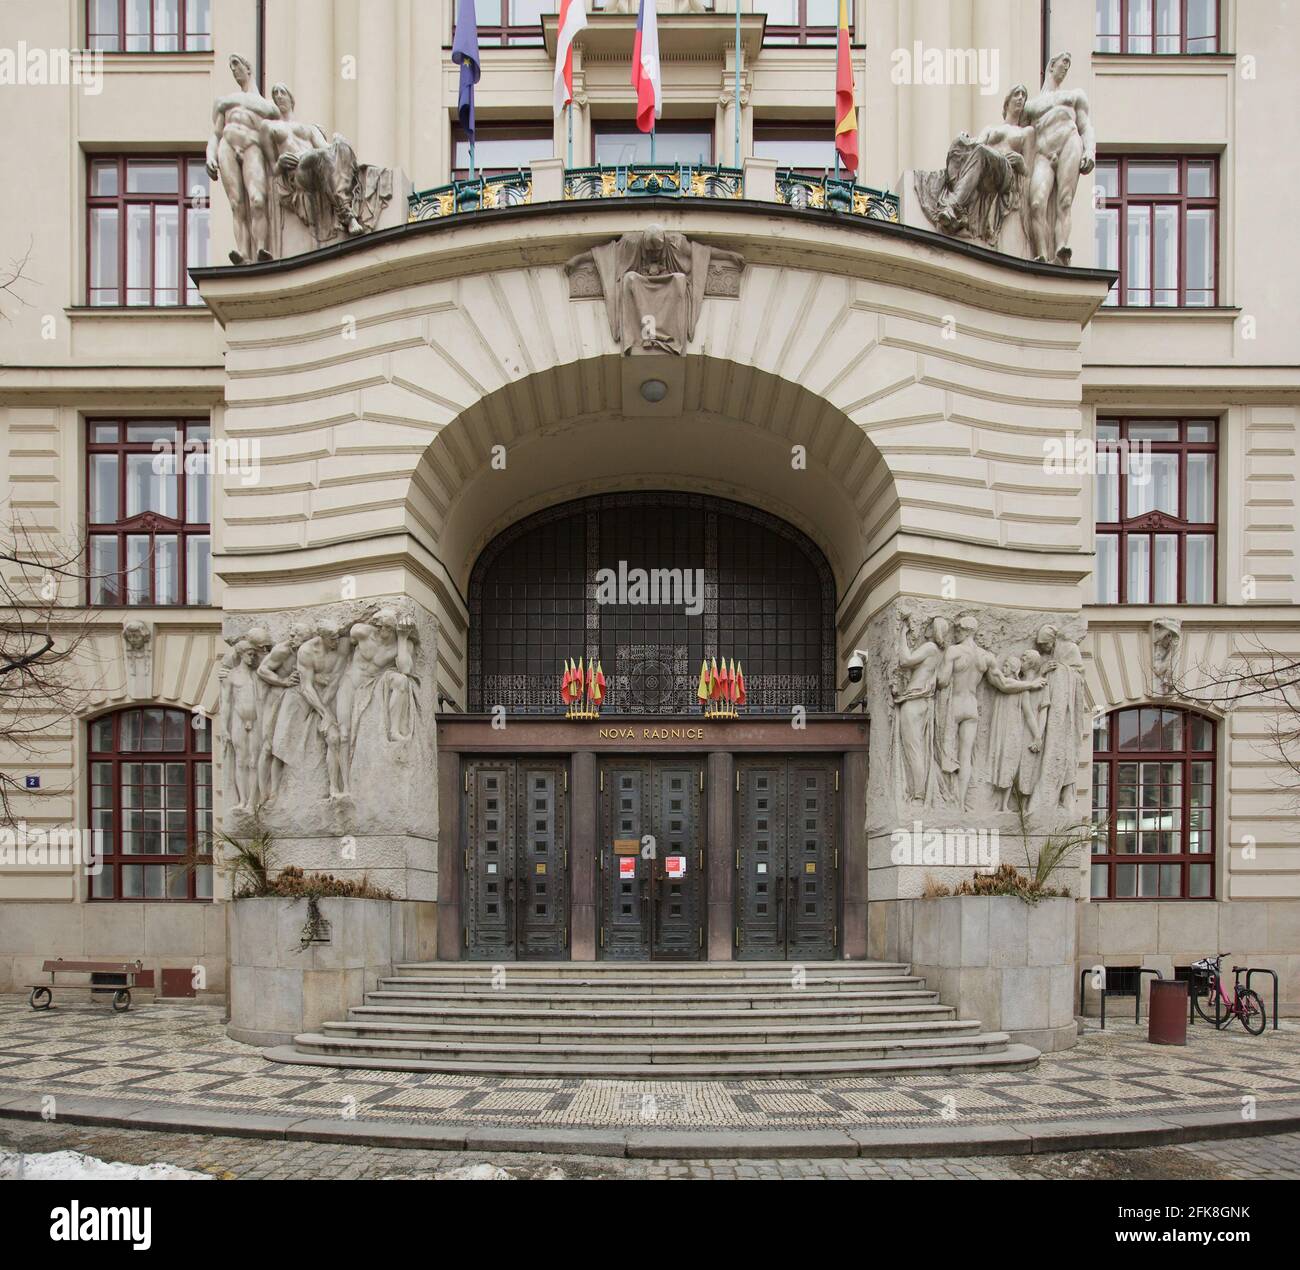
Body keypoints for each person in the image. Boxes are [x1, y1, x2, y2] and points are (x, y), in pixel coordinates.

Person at [1021, 52, 1096, 265]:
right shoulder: (1030, 106)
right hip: (1043, 154)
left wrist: (1090, 150)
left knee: (1064, 200)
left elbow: (1085, 126)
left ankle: (1061, 246)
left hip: (1069, 143)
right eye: (1064, 63)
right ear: (1051, 65)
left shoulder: (1074, 96)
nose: (1066, 68)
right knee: (1036, 202)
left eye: (1069, 65)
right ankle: (1042, 254)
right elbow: (1019, 136)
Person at [206, 54, 280, 264]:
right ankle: (243, 254)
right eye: (231, 68)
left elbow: (277, 132)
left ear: (248, 69)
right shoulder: (226, 103)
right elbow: (216, 134)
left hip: (251, 145)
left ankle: (262, 250)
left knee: (257, 200)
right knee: (236, 203)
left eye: (236, 65)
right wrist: (209, 154)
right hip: (228, 145)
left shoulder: (266, 106)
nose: (234, 71)